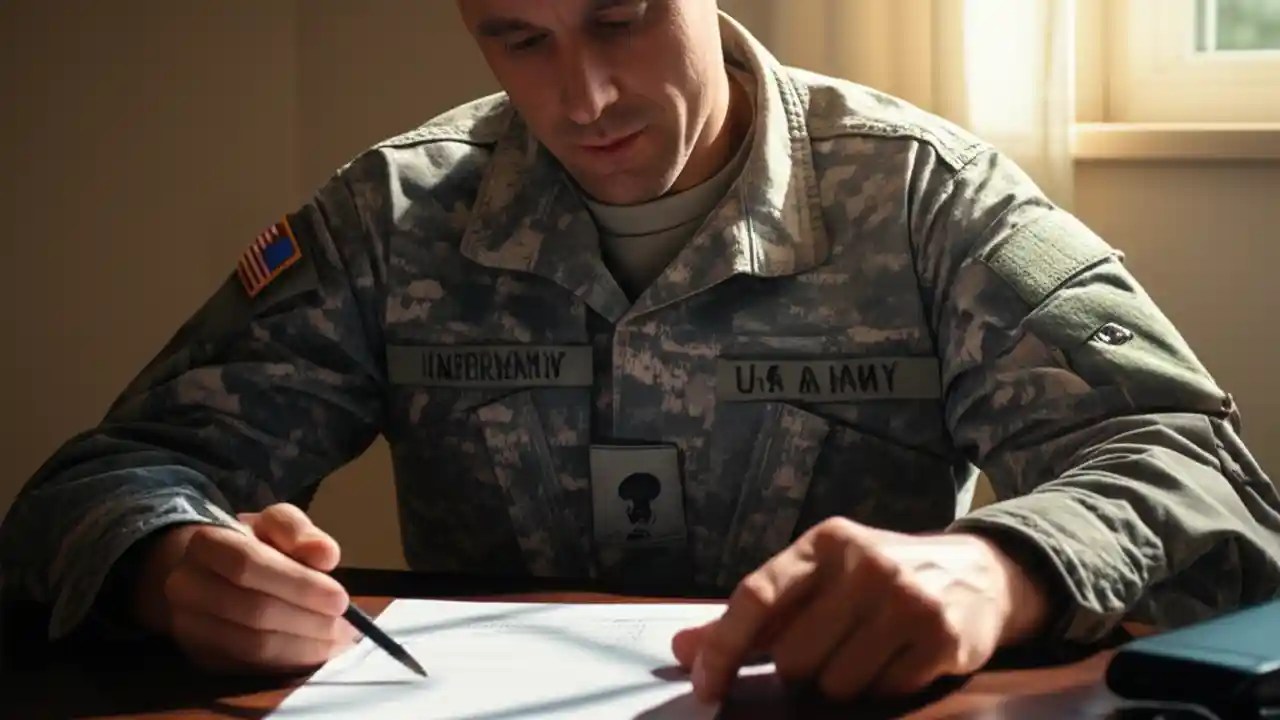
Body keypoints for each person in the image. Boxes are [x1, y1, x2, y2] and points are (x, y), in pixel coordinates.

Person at [3, 0, 1279, 703]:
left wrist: (997, 569)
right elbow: (104, 477)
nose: (583, 98)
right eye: (519, 38)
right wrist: (171, 564)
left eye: (619, 18)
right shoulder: (396, 218)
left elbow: (1198, 474)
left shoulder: (921, 199)